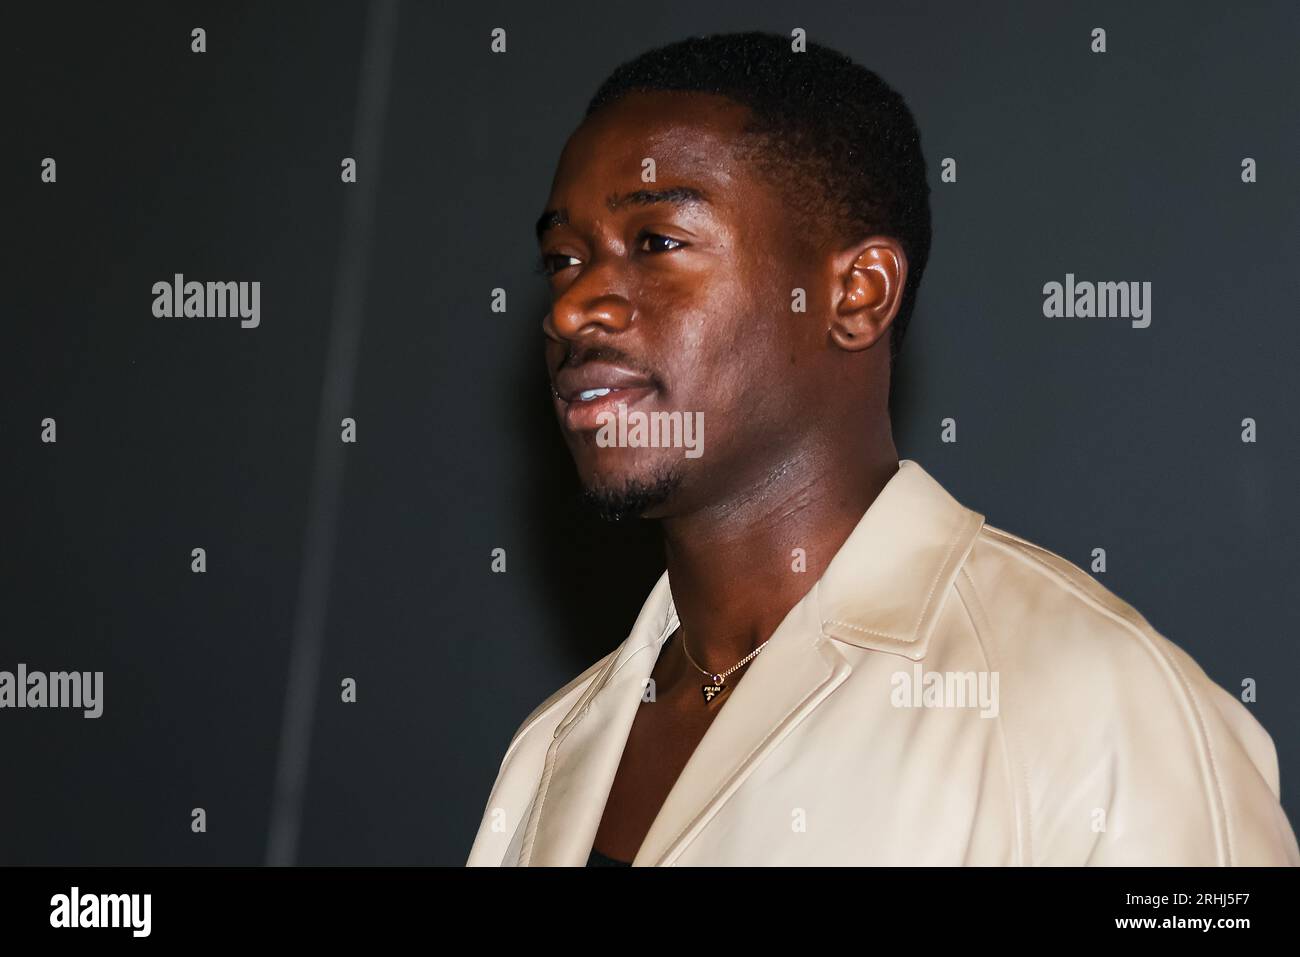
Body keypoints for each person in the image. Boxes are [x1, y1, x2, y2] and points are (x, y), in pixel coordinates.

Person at [466, 31, 1300, 866]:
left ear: (857, 294)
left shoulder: (1100, 710)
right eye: (561, 259)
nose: (571, 310)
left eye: (657, 242)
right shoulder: (550, 751)